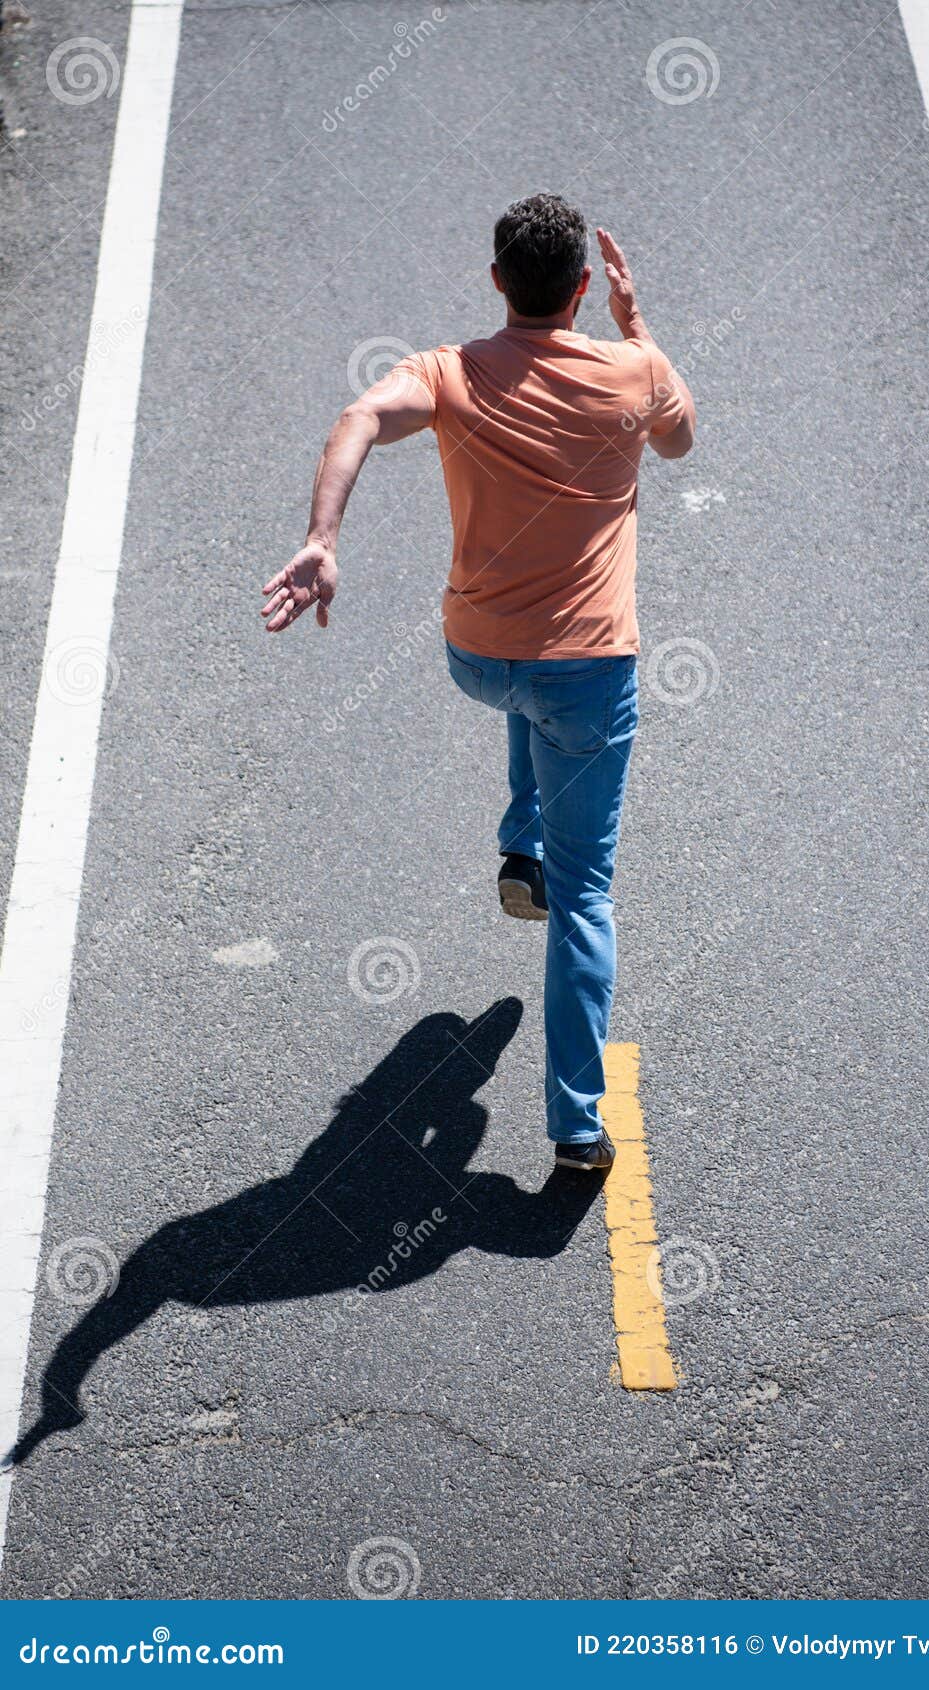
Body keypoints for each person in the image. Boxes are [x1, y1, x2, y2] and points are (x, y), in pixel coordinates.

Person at [261, 194, 695, 1172]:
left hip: (478, 661)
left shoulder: (449, 373)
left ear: (496, 280)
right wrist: (637, 326)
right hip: (585, 677)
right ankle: (576, 1122)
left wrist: (321, 539)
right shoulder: (634, 370)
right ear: (581, 286)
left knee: (523, 695)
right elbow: (679, 440)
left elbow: (360, 414)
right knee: (583, 897)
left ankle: (516, 840)